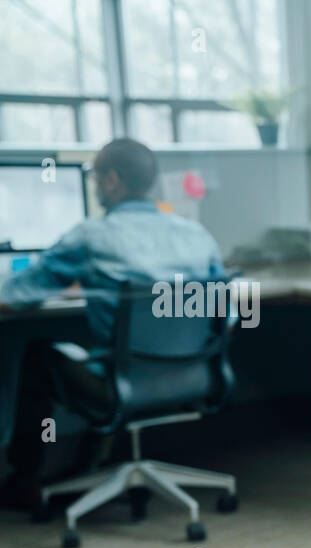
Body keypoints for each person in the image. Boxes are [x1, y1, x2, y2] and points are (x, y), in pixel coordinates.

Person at [0, 138, 225, 506]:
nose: (94, 184)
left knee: (40, 355)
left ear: (112, 180)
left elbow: (18, 294)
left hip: (123, 384)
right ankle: (90, 463)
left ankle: (25, 480)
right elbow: (225, 316)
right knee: (110, 356)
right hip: (195, 376)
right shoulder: (196, 235)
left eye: (95, 176)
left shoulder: (91, 237)